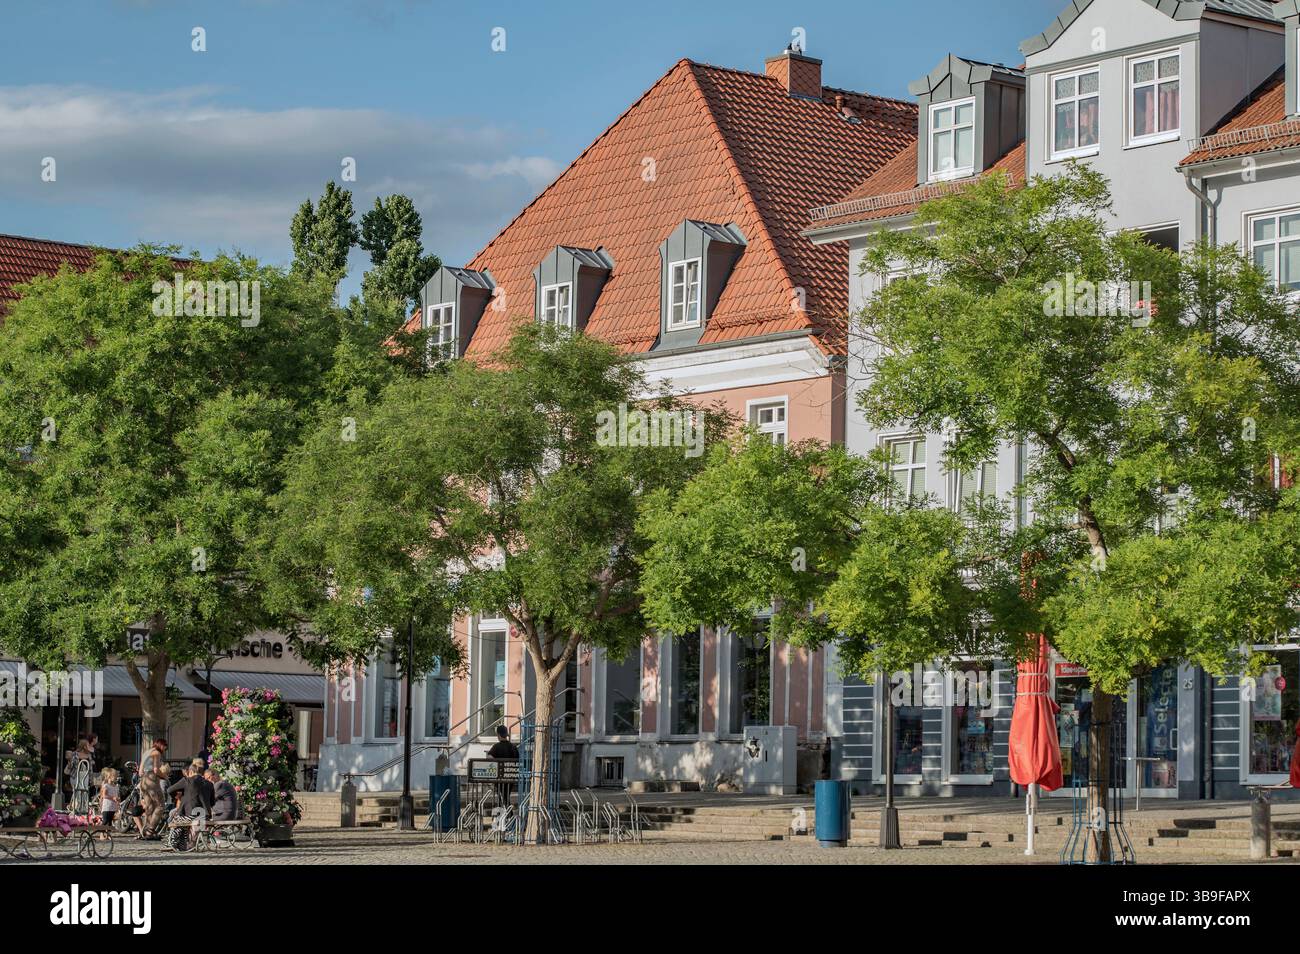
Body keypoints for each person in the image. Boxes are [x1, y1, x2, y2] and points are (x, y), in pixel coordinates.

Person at [135, 760, 168, 839]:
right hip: (151, 794)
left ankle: (147, 831)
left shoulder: (148, 775)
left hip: (146, 795)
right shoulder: (160, 780)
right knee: (158, 808)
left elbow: (139, 787)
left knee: (149, 810)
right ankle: (149, 831)